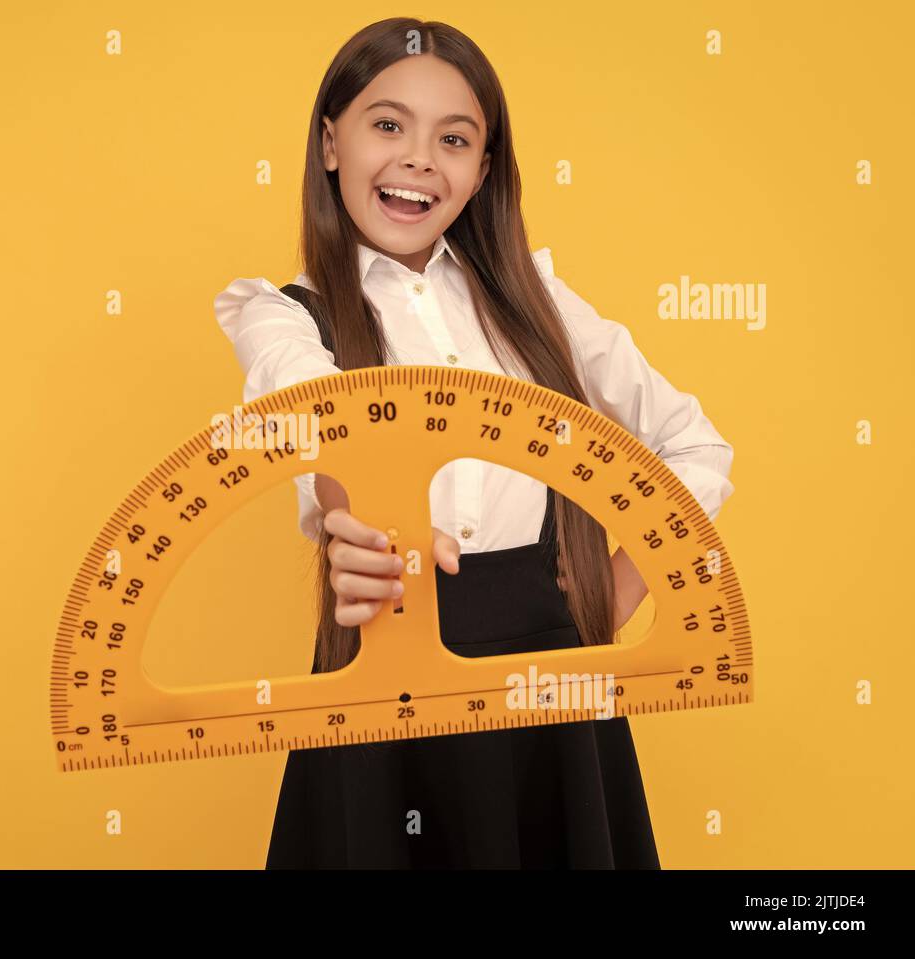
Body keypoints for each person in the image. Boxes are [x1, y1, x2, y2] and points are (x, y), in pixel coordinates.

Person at [212, 17, 735, 868]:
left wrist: (607, 597)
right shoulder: (282, 316)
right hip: (380, 666)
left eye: (454, 139)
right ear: (330, 141)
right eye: (388, 124)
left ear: (482, 170)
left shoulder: (538, 303)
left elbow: (695, 446)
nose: (420, 158)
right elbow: (313, 416)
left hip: (549, 677)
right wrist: (357, 536)